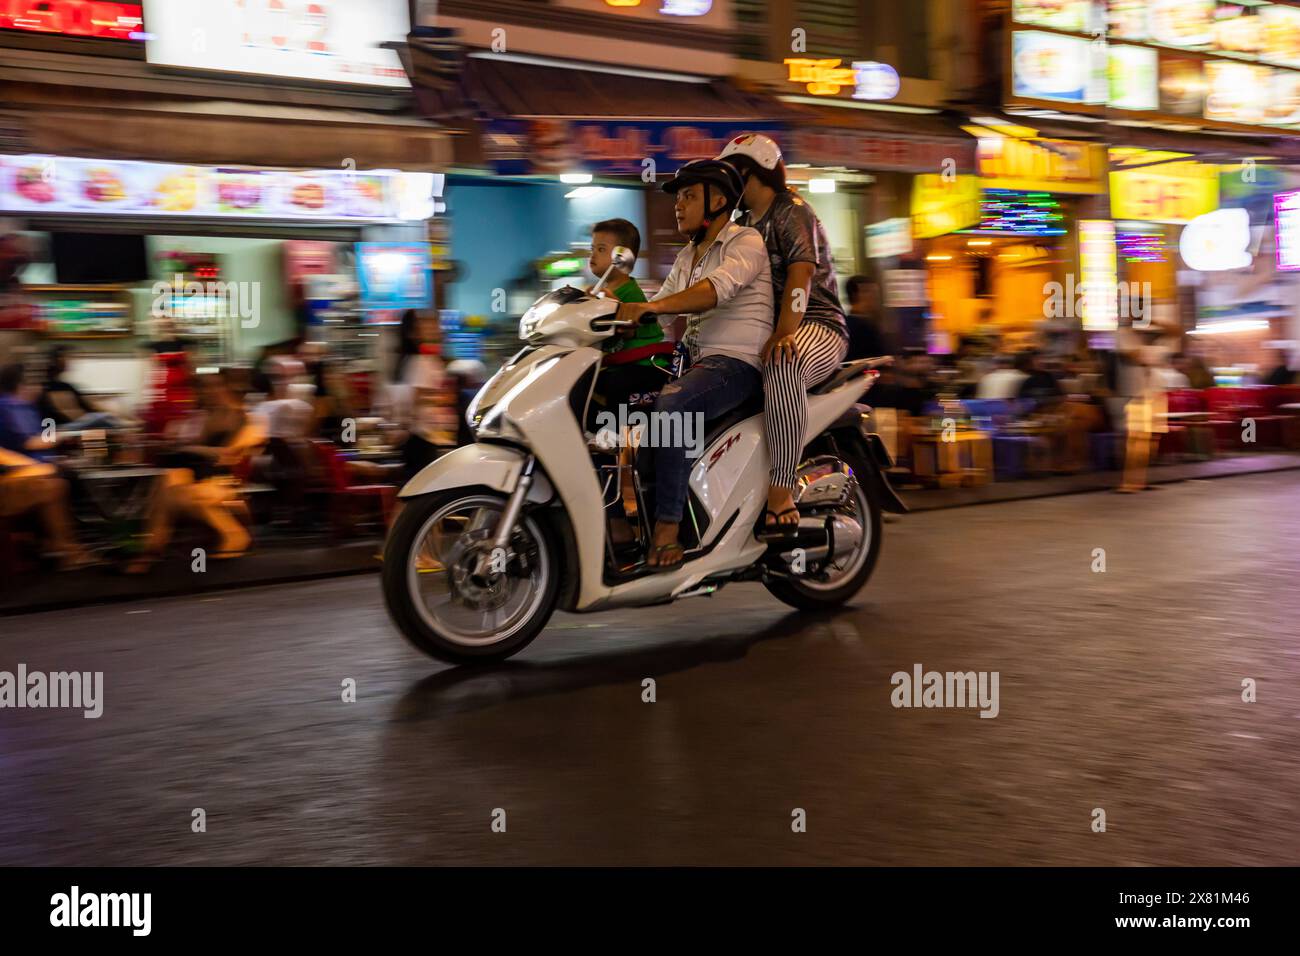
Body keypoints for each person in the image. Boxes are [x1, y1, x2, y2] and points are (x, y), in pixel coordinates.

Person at [614, 159, 773, 569]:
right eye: (678, 198)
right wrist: (610, 316)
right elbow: (662, 310)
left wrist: (650, 307)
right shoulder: (688, 256)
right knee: (615, 403)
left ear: (718, 200)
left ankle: (669, 530)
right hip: (697, 368)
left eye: (688, 196)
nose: (678, 206)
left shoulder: (745, 241)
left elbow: (715, 291)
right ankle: (622, 522)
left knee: (671, 408)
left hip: (738, 366)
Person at [718, 133, 850, 532]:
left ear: (747, 173)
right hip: (773, 328)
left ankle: (781, 490)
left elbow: (801, 275)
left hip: (817, 326)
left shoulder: (790, 209)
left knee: (782, 365)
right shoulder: (741, 225)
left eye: (730, 176)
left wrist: (784, 333)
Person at [128, 369, 263, 572]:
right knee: (167, 481)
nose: (209, 391)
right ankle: (155, 549)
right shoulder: (202, 417)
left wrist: (189, 448)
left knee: (169, 489)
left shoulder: (245, 418)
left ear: (227, 388)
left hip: (226, 484)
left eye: (215, 385)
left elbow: (228, 455)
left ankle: (151, 550)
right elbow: (185, 449)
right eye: (204, 386)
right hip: (199, 482)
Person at [587, 218, 671, 422]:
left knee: (616, 386)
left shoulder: (630, 294)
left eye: (601, 249)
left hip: (641, 365)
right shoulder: (600, 293)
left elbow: (629, 327)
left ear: (622, 257)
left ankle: (616, 439)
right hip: (618, 363)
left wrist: (617, 308)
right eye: (592, 248)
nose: (592, 255)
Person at [38, 346, 119, 431]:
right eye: (67, 357)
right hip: (61, 428)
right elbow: (69, 413)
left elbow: (88, 406)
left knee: (109, 414)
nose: (70, 361)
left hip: (75, 424)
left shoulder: (65, 386)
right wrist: (91, 419)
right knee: (105, 419)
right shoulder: (52, 387)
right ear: (57, 360)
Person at [843, 275, 890, 361]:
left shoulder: (871, 324)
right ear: (854, 295)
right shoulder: (854, 328)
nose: (875, 297)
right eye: (869, 292)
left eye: (876, 293)